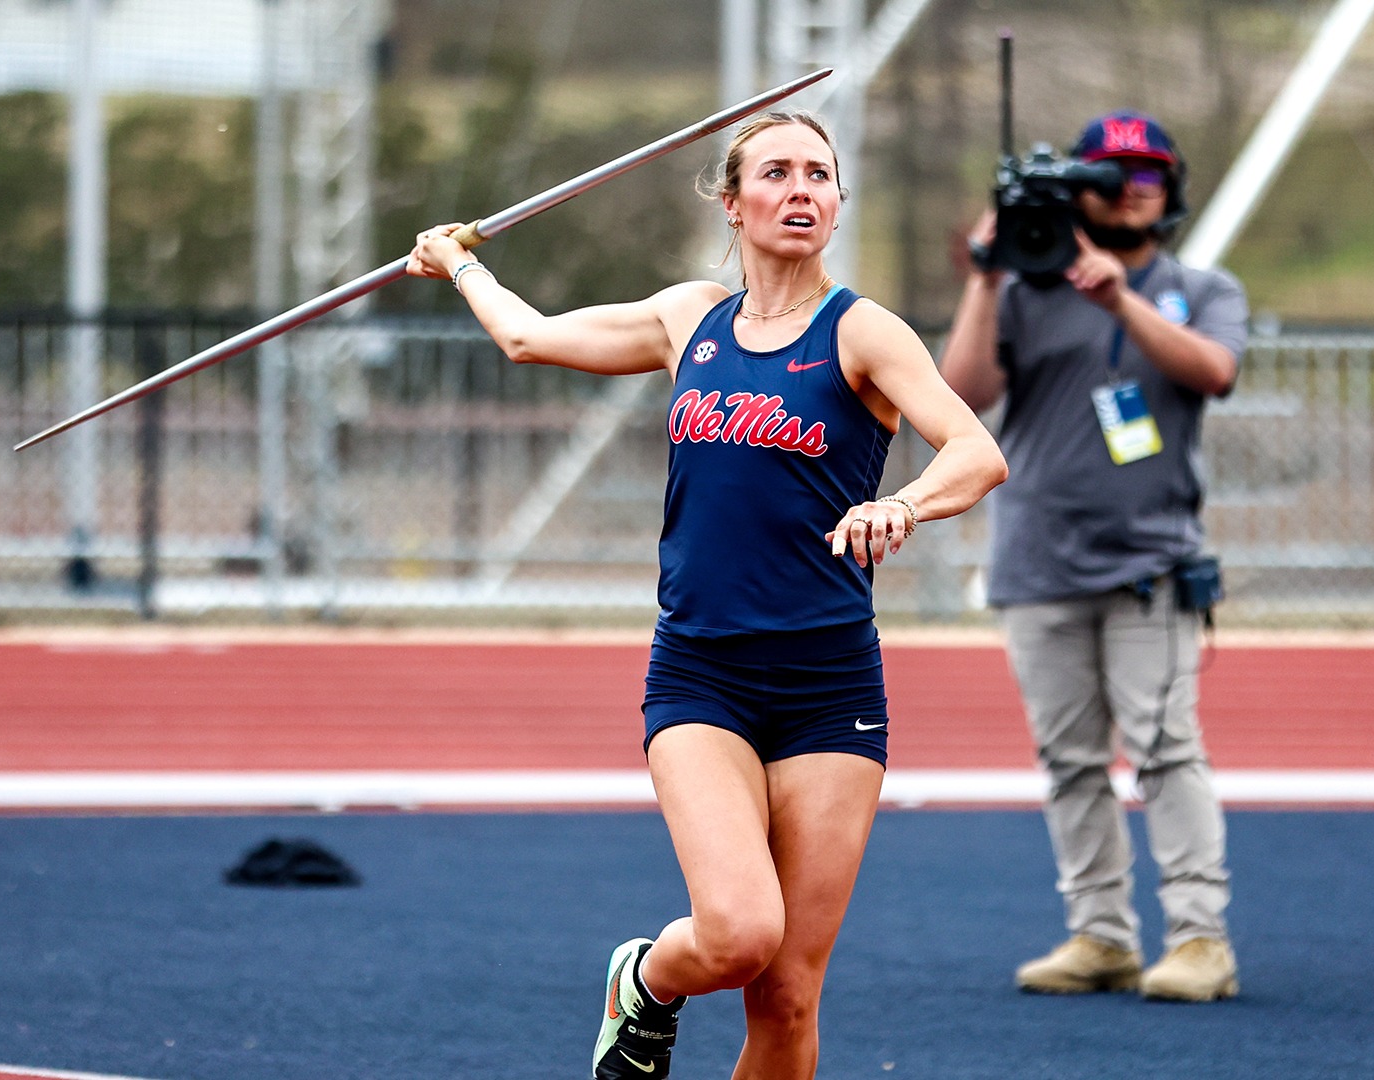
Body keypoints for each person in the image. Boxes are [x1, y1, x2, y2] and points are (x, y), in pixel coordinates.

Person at [406, 111, 1006, 1080]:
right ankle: (642, 979)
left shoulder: (862, 332)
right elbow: (529, 339)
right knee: (735, 936)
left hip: (828, 684)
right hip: (703, 675)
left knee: (788, 994)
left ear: (840, 202)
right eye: (776, 172)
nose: (802, 189)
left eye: (821, 173)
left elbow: (979, 452)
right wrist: (459, 263)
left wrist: (905, 503)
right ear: (733, 204)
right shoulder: (690, 319)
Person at [938, 110, 1247, 1002]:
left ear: (1172, 184)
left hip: (1150, 559)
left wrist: (1121, 300)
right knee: (1070, 761)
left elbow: (1213, 373)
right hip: (1037, 559)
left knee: (1166, 750)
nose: (1133, 184)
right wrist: (987, 277)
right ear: (1079, 188)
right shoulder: (1025, 291)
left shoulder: (1200, 285)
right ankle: (1101, 934)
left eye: (1149, 170)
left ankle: (1199, 938)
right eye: (1112, 172)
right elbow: (961, 395)